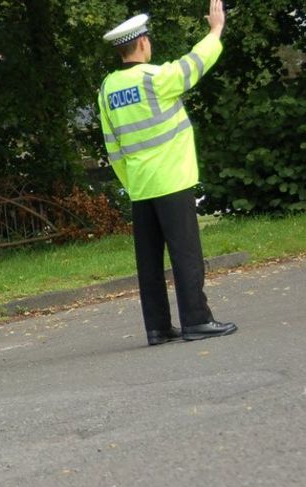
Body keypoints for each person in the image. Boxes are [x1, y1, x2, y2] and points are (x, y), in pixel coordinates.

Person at [98, 0, 237, 346]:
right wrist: (216, 29)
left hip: (140, 185)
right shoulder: (154, 78)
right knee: (185, 254)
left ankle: (158, 328)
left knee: (149, 262)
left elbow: (112, 147)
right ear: (143, 42)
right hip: (172, 181)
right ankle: (197, 321)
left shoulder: (107, 89)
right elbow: (195, 63)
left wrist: (132, 183)